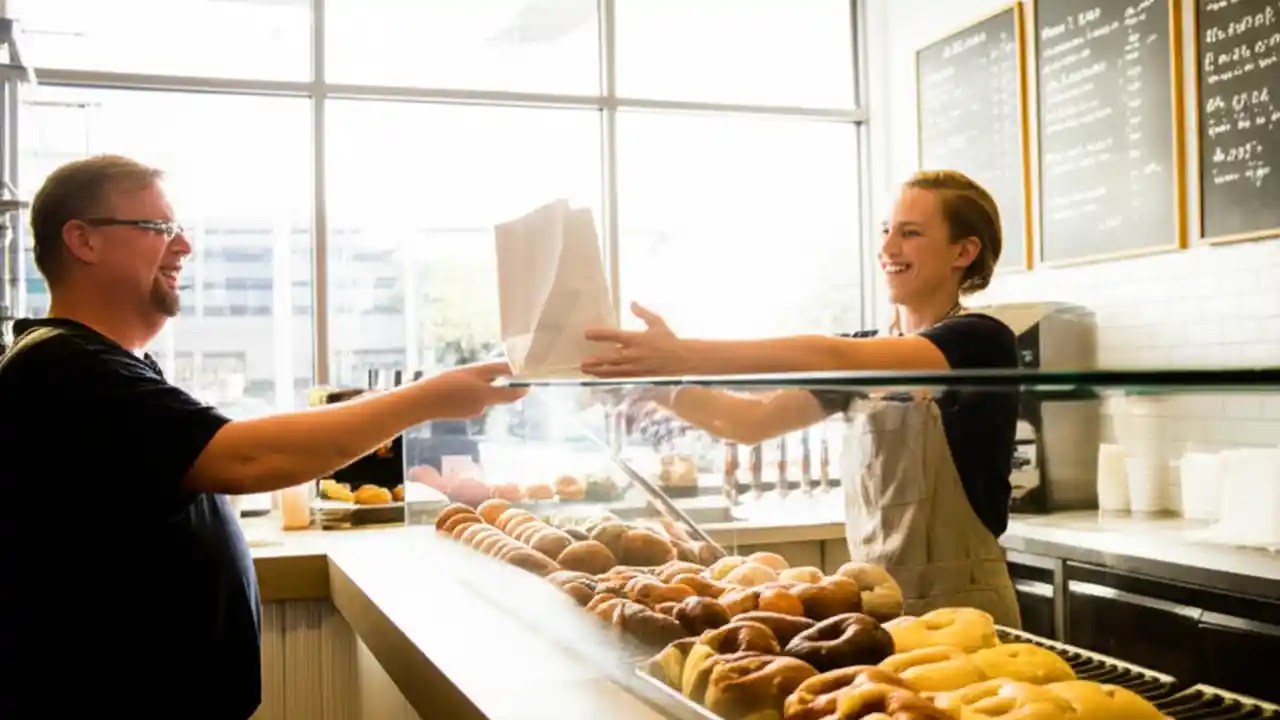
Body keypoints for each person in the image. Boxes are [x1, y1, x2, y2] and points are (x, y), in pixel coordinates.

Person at [0, 155, 526, 718]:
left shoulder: (108, 365)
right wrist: (428, 398)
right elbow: (247, 456)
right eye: (160, 228)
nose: (184, 247)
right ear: (83, 240)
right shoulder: (61, 368)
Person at [581, 169, 1023, 628]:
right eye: (886, 231)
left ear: (963, 251)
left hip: (967, 609)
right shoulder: (866, 351)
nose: (889, 248)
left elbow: (827, 353)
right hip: (876, 608)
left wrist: (682, 354)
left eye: (910, 234)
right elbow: (751, 421)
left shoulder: (980, 340)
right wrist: (652, 385)